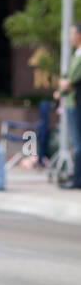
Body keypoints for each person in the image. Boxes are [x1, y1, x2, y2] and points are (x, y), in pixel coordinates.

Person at [54, 24, 81, 189]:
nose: (70, 37)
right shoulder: (76, 54)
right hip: (72, 101)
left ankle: (78, 180)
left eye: (72, 33)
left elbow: (70, 80)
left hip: (76, 102)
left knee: (78, 144)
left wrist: (64, 86)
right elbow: (65, 79)